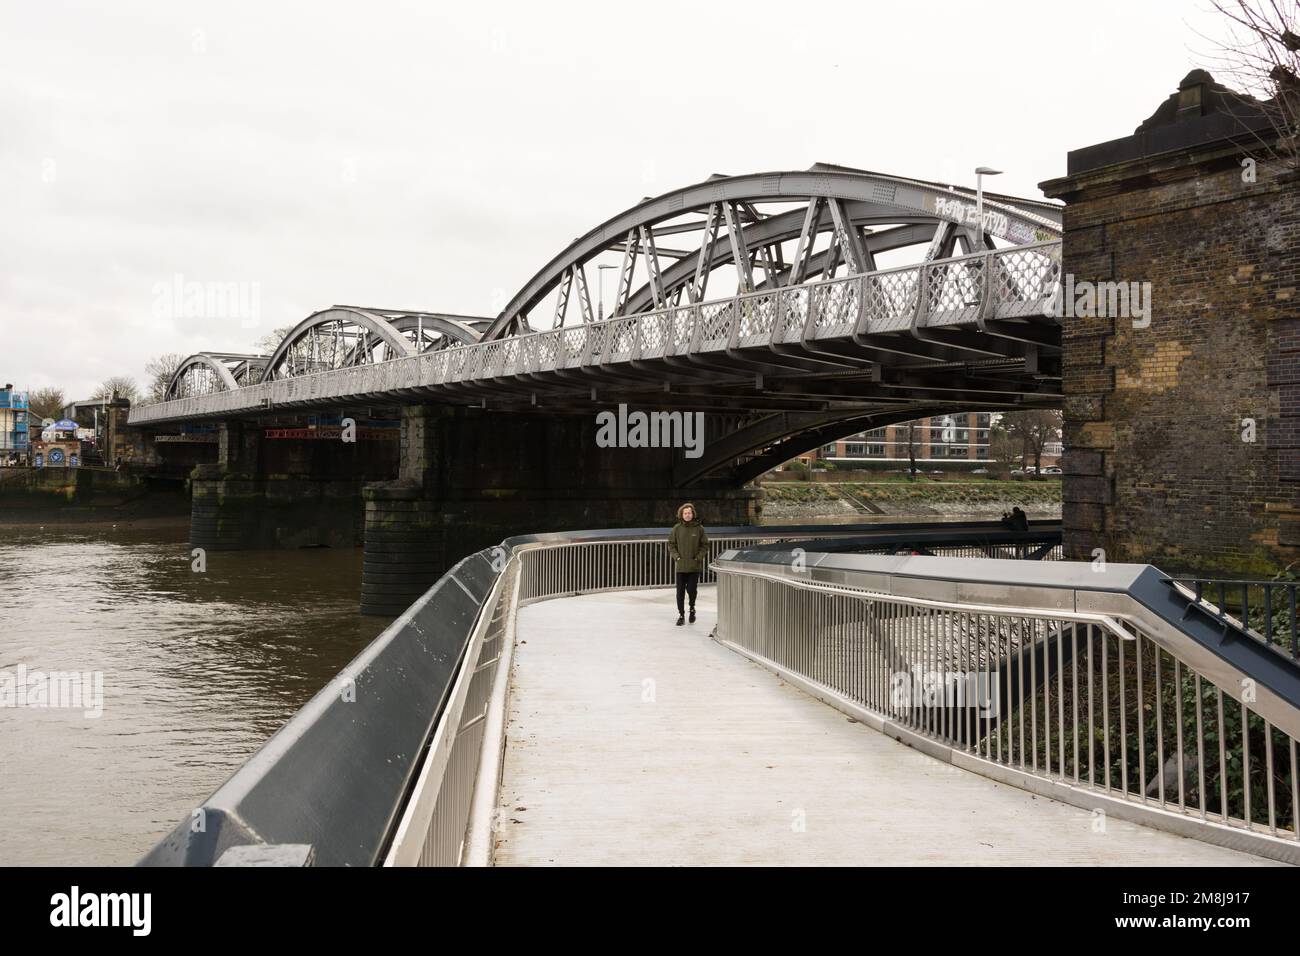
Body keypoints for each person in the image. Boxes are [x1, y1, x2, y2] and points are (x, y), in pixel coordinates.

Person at [667, 502, 708, 626]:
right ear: (682, 514)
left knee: (691, 590)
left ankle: (692, 608)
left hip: (694, 566)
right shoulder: (676, 528)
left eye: (689, 513)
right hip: (681, 566)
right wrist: (677, 557)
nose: (687, 515)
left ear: (692, 514)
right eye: (685, 513)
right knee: (680, 592)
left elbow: (705, 545)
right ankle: (681, 615)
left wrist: (698, 558)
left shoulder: (699, 528)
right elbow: (671, 544)